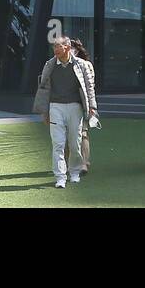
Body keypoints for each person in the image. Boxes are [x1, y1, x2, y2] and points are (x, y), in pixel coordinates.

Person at [33, 36, 97, 188]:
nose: (55, 50)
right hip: (56, 107)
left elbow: (89, 88)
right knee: (58, 144)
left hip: (75, 107)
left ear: (67, 48)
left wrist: (92, 107)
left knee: (75, 143)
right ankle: (60, 177)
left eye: (58, 46)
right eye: (54, 47)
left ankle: (74, 172)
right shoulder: (49, 65)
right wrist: (44, 111)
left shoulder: (81, 64)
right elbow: (43, 88)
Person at [69, 39, 96, 174]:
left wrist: (92, 106)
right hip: (65, 104)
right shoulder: (58, 63)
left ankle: (84, 163)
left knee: (83, 133)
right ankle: (71, 163)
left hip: (81, 103)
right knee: (68, 135)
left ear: (77, 50)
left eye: (72, 48)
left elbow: (90, 87)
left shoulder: (86, 65)